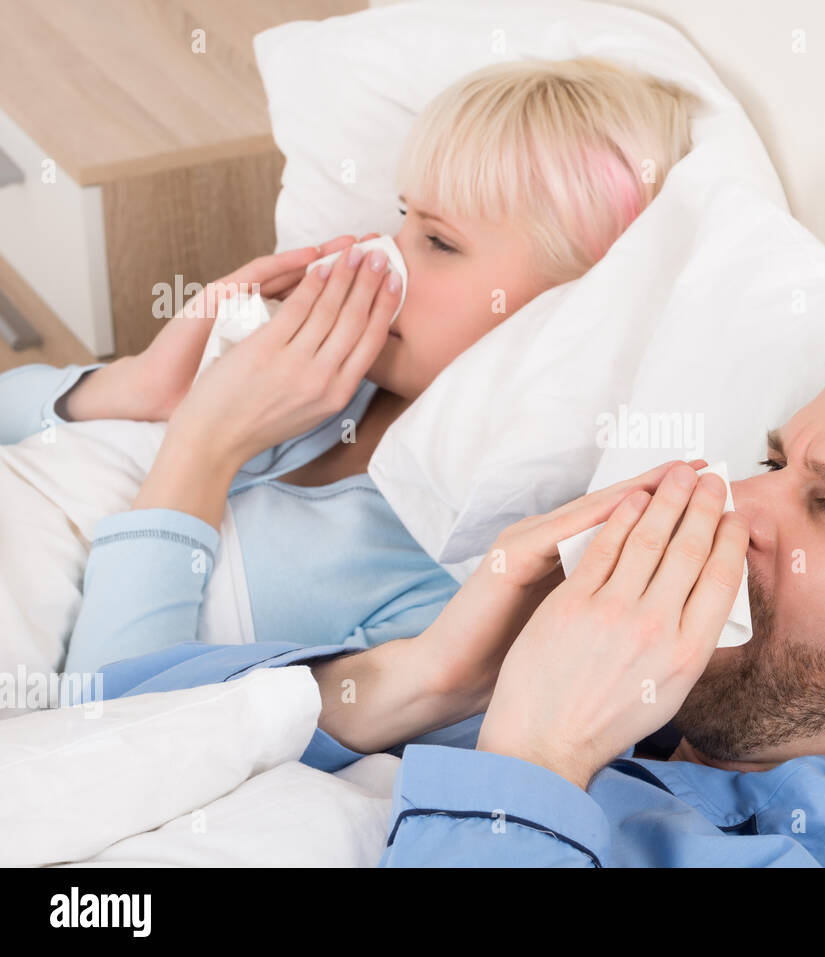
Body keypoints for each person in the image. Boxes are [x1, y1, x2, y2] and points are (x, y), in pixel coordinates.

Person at [79, 293, 825, 866]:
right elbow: (100, 745)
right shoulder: (582, 679)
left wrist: (535, 765)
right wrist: (423, 678)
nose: (733, 503)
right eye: (771, 463)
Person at [0, 58, 698, 675]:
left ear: (571, 313)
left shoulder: (452, 590)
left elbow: (107, 738)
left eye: (438, 241)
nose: (376, 256)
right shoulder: (321, 380)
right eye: (401, 216)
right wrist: (134, 385)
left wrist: (202, 448)